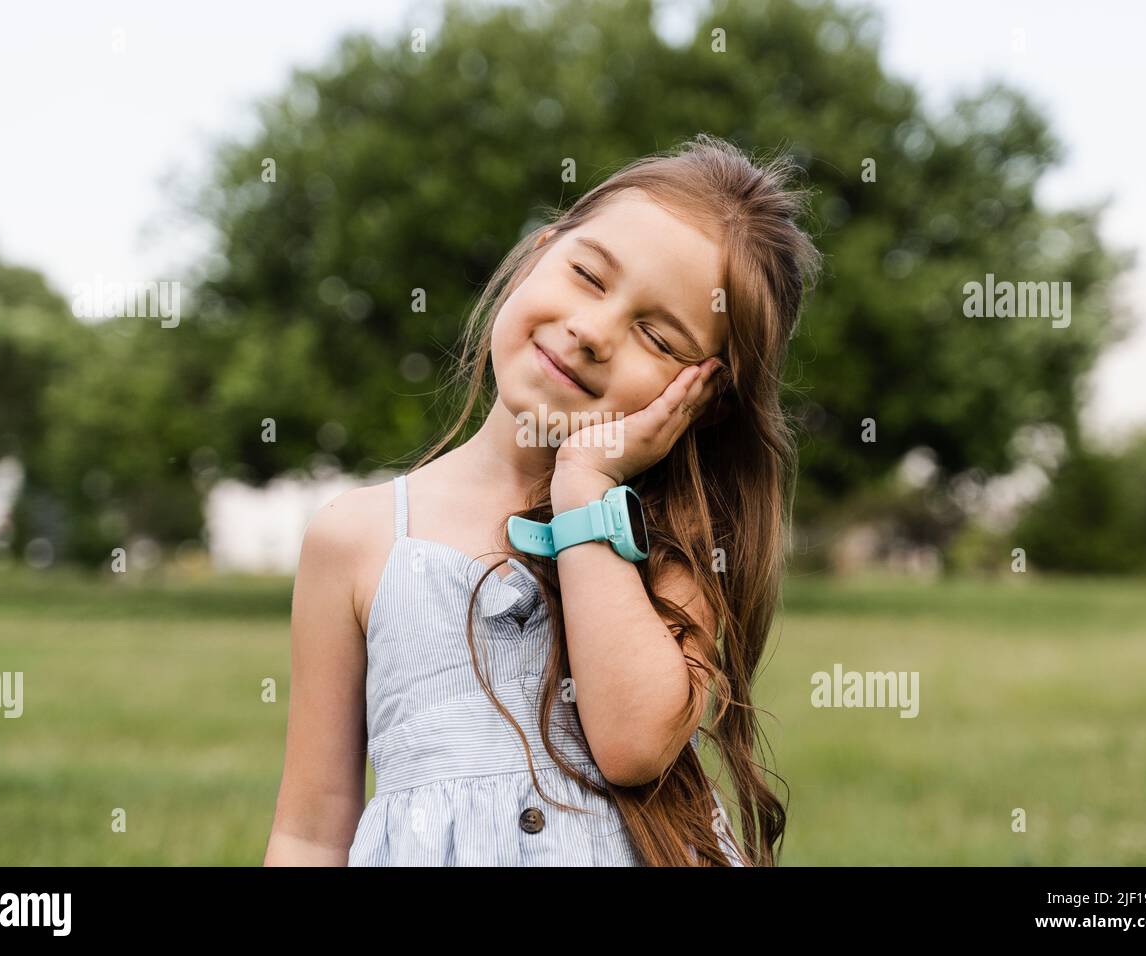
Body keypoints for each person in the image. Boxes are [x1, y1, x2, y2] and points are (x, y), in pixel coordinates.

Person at [264, 133, 821, 866]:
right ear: (537, 255)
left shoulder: (678, 544)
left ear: (704, 399)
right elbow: (310, 829)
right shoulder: (356, 538)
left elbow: (631, 745)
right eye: (588, 275)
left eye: (656, 336)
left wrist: (584, 487)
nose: (592, 332)